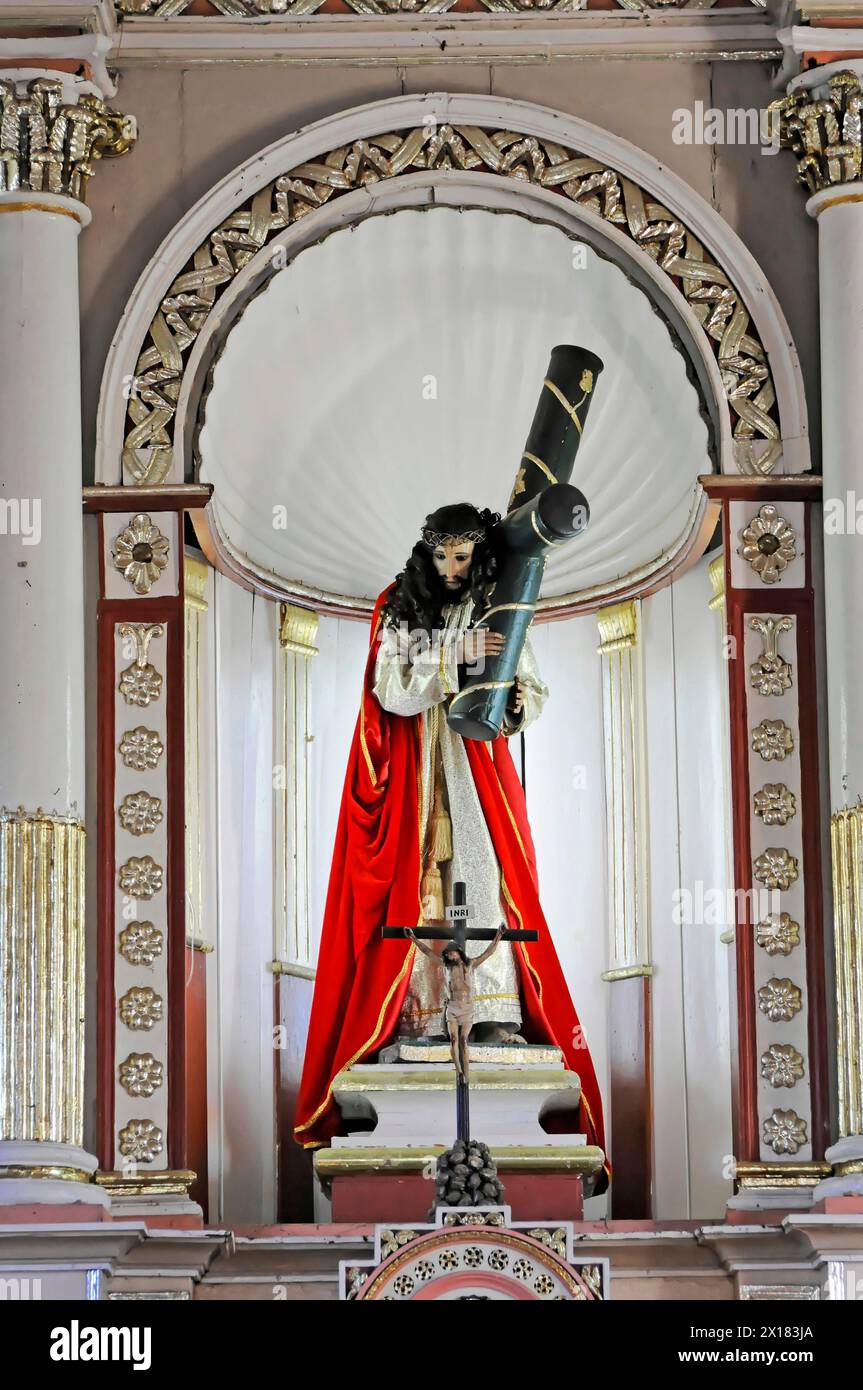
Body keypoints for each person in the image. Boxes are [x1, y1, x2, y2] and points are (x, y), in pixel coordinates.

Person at [294, 502, 607, 1189]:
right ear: (425, 554)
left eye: (462, 556)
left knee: (483, 877)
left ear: (480, 555)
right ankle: (423, 1019)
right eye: (441, 556)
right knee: (420, 890)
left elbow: (530, 686)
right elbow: (391, 689)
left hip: (474, 769)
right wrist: (452, 656)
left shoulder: (500, 604)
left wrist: (513, 693)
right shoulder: (399, 606)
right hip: (412, 772)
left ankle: (491, 1017)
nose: (450, 569)